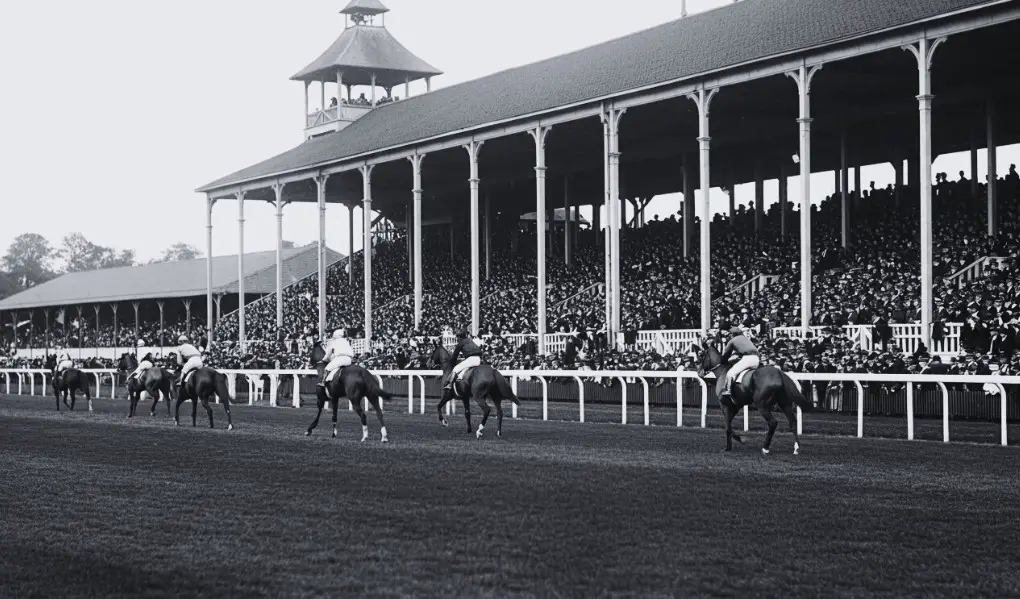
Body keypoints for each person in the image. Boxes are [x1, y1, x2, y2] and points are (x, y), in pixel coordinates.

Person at [719, 326, 759, 399]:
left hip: (747, 359)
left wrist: (722, 362)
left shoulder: (732, 341)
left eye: (729, 335)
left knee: (730, 373)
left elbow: (726, 355)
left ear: (732, 334)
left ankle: (728, 390)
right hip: (756, 359)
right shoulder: (746, 339)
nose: (729, 336)